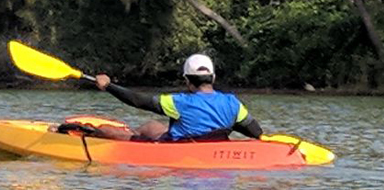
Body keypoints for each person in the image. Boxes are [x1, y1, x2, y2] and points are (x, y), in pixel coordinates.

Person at [91, 54, 263, 141]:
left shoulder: (180, 102)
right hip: (211, 150)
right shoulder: (233, 103)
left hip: (177, 149)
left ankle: (87, 138)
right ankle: (137, 133)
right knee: (152, 126)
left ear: (187, 81)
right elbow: (256, 132)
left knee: (106, 131)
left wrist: (108, 86)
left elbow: (138, 100)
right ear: (213, 78)